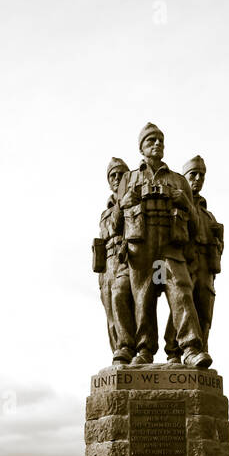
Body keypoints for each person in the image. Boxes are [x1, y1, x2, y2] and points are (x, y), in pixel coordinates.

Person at [116, 122, 210, 368]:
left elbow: (195, 225)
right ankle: (144, 350)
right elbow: (115, 224)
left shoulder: (179, 181)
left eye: (160, 140)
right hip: (142, 246)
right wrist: (124, 202)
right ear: (141, 148)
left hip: (170, 247)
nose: (157, 144)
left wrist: (185, 204)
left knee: (181, 291)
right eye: (151, 140)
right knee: (143, 298)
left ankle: (189, 348)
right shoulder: (129, 178)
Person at [164, 154, 223, 359]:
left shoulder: (209, 215)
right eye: (193, 174)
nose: (198, 179)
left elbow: (218, 244)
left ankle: (200, 352)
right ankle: (174, 352)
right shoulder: (176, 203)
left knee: (204, 313)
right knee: (181, 304)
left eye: (201, 175)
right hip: (184, 261)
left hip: (206, 266)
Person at [95, 156, 136, 364]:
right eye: (113, 175)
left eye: (121, 175)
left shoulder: (132, 203)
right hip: (107, 265)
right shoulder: (106, 211)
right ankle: (119, 353)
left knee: (122, 298)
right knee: (111, 313)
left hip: (127, 258)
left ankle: (127, 346)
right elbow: (108, 229)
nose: (117, 178)